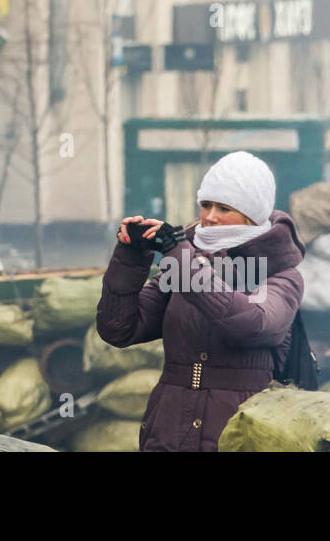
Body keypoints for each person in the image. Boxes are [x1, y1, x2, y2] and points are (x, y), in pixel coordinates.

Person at [96, 151, 305, 452]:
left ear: (253, 214)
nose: (209, 216)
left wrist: (183, 261)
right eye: (206, 204)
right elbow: (119, 329)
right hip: (167, 433)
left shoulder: (281, 273)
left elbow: (254, 325)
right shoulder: (184, 259)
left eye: (224, 207)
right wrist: (131, 257)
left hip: (241, 437)